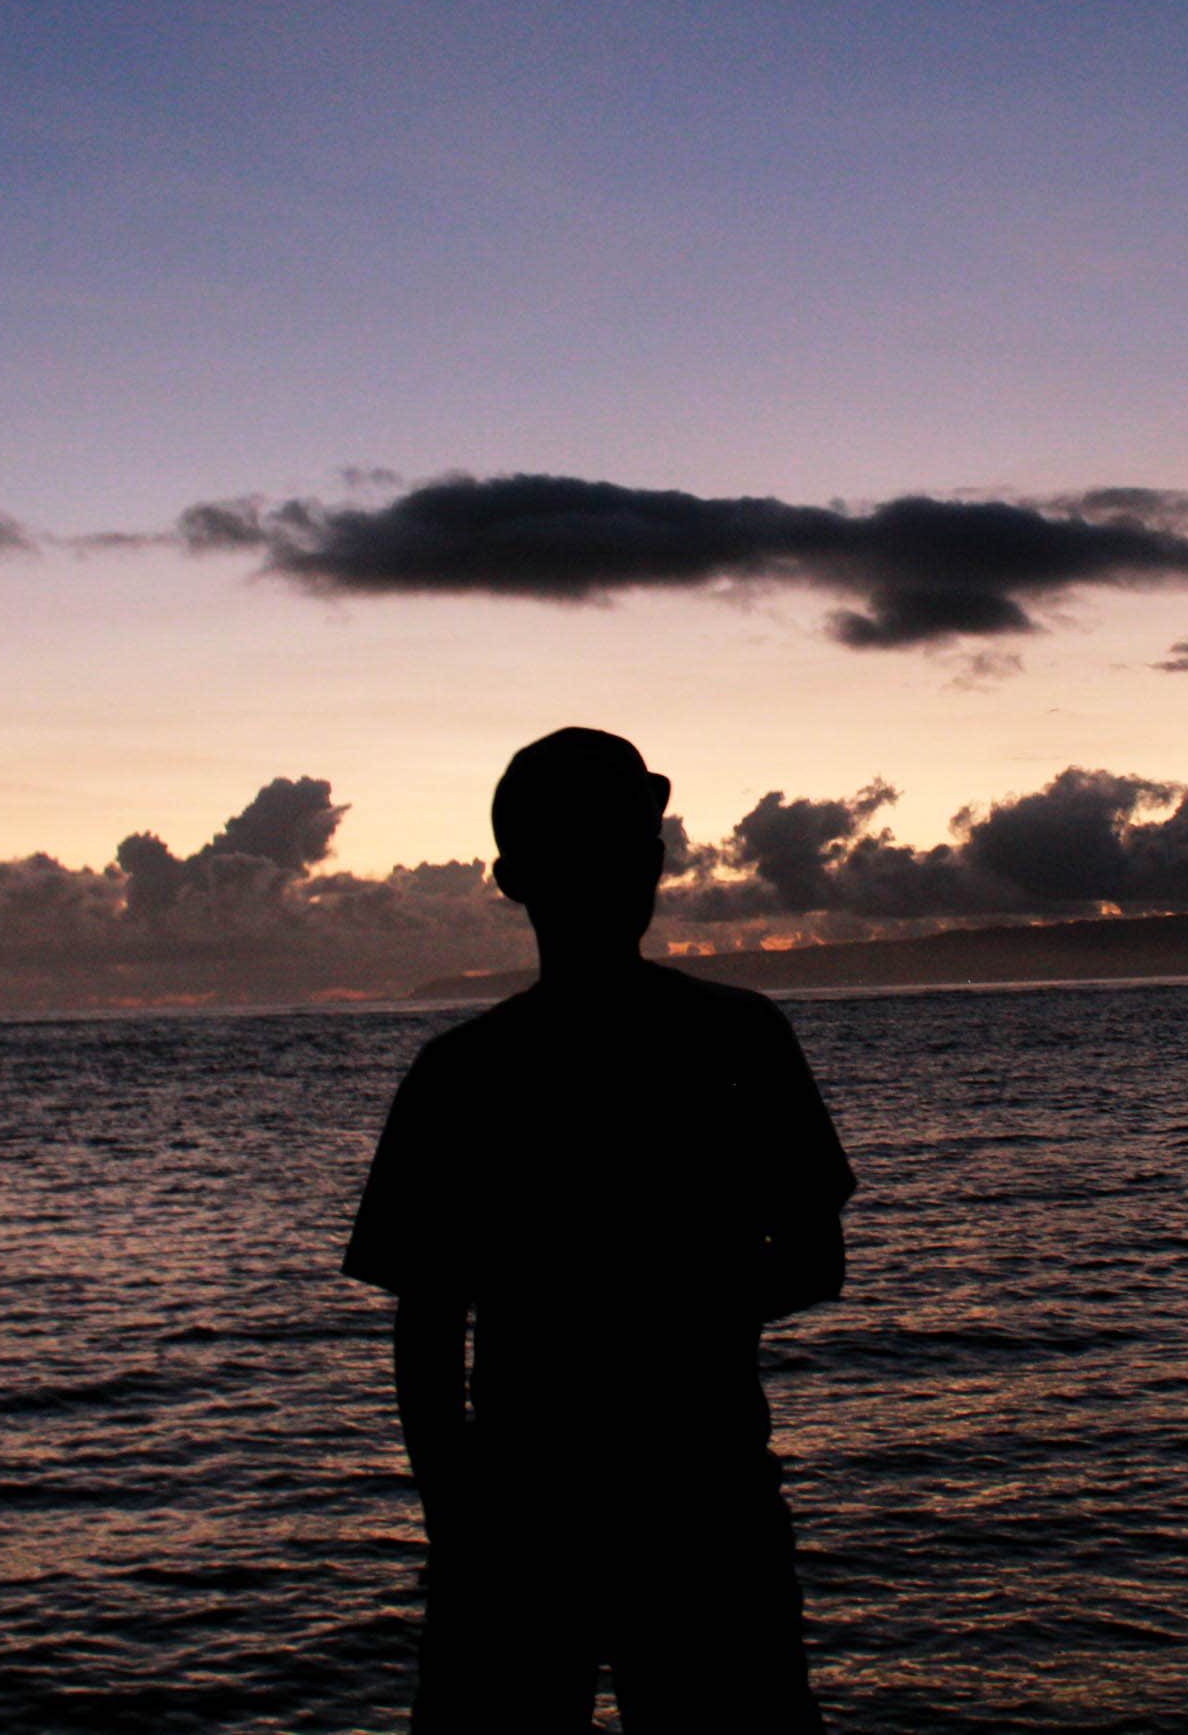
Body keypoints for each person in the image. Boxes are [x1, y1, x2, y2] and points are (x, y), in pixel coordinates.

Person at [344, 727, 855, 1732]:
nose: (639, 863)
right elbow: (811, 1260)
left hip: (573, 1517)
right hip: (680, 1509)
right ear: (527, 874)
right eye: (623, 840)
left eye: (638, 839)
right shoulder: (736, 1035)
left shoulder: (465, 1072)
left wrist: (458, 1517)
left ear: (509, 878)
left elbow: (427, 1328)